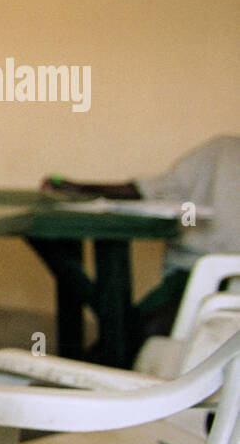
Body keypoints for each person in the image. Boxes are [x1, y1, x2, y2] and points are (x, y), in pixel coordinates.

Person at [43, 135, 240, 336]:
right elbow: (150, 189)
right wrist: (80, 189)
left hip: (231, 281)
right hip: (191, 273)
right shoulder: (221, 151)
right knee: (131, 331)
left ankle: (103, 356)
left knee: (133, 334)